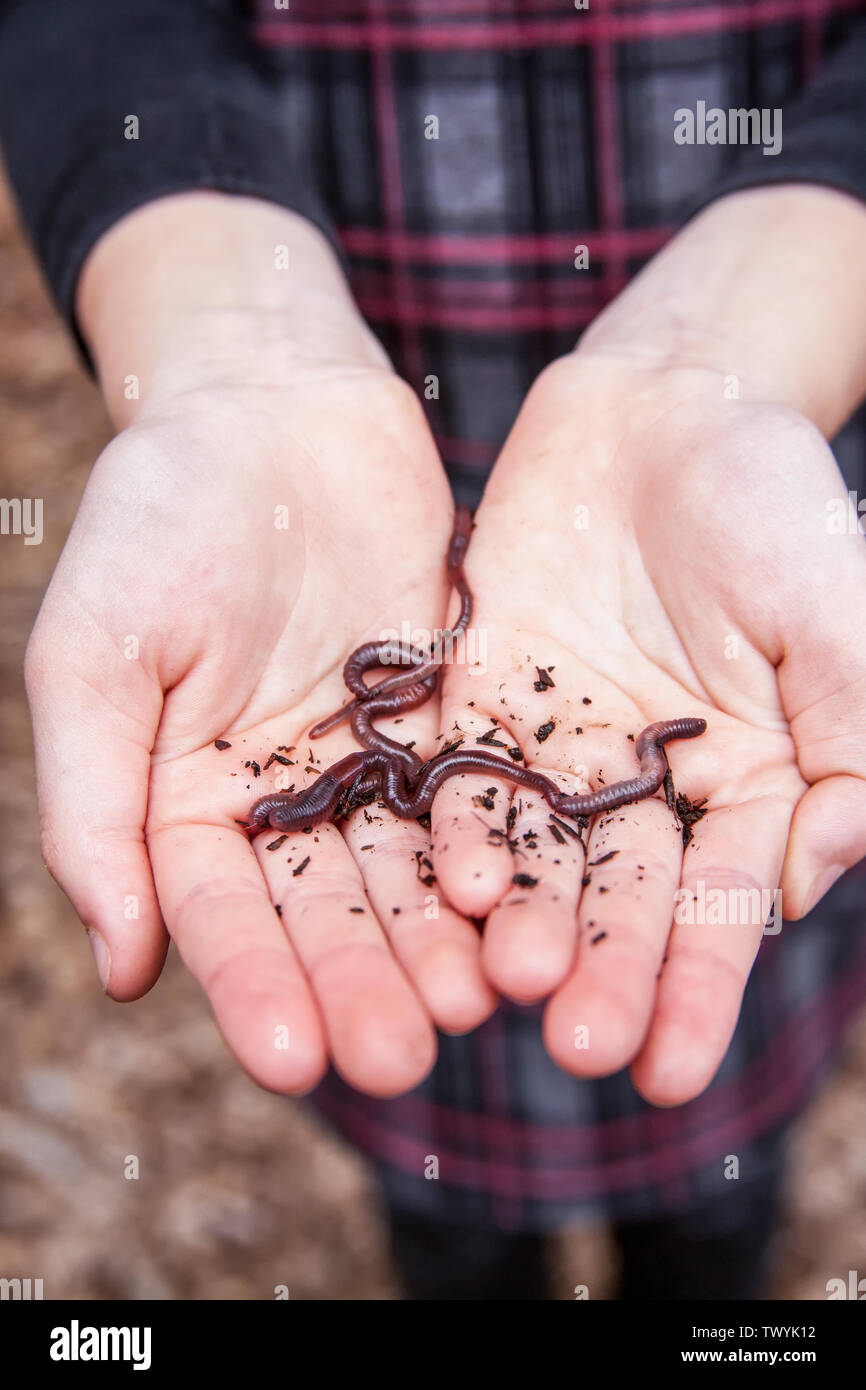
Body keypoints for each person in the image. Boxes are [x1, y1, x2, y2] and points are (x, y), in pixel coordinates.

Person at [2, 0, 866, 1300]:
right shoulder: (375, 715)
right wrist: (224, 347)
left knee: (709, 1164)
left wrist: (750, 342)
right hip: (339, 358)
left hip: (714, 607)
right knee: (449, 1199)